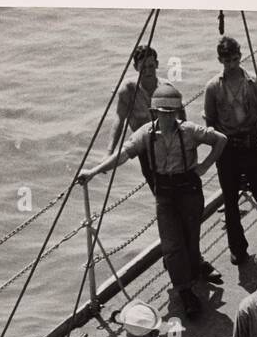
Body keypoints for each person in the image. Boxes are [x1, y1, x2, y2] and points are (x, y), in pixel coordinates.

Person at [80, 82, 227, 319]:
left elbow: (220, 139)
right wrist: (94, 171)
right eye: (163, 113)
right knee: (171, 244)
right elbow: (123, 155)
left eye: (172, 113)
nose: (168, 118)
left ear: (177, 113)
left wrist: (205, 166)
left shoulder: (189, 131)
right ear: (155, 113)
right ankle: (185, 292)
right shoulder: (144, 135)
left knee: (191, 236)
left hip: (189, 190)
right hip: (165, 194)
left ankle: (194, 268)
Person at [203, 35, 257, 265]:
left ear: (240, 56)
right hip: (228, 149)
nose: (231, 64)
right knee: (230, 202)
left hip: (251, 144)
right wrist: (216, 153)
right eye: (226, 61)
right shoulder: (213, 87)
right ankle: (238, 248)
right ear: (220, 60)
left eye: (234, 59)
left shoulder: (253, 82)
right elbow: (210, 122)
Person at [107, 44, 159, 189]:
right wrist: (109, 153)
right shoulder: (129, 90)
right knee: (157, 189)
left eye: (151, 66)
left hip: (167, 147)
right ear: (136, 67)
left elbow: (182, 123)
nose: (148, 71)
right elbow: (119, 120)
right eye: (143, 67)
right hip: (144, 148)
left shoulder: (165, 89)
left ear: (157, 65)